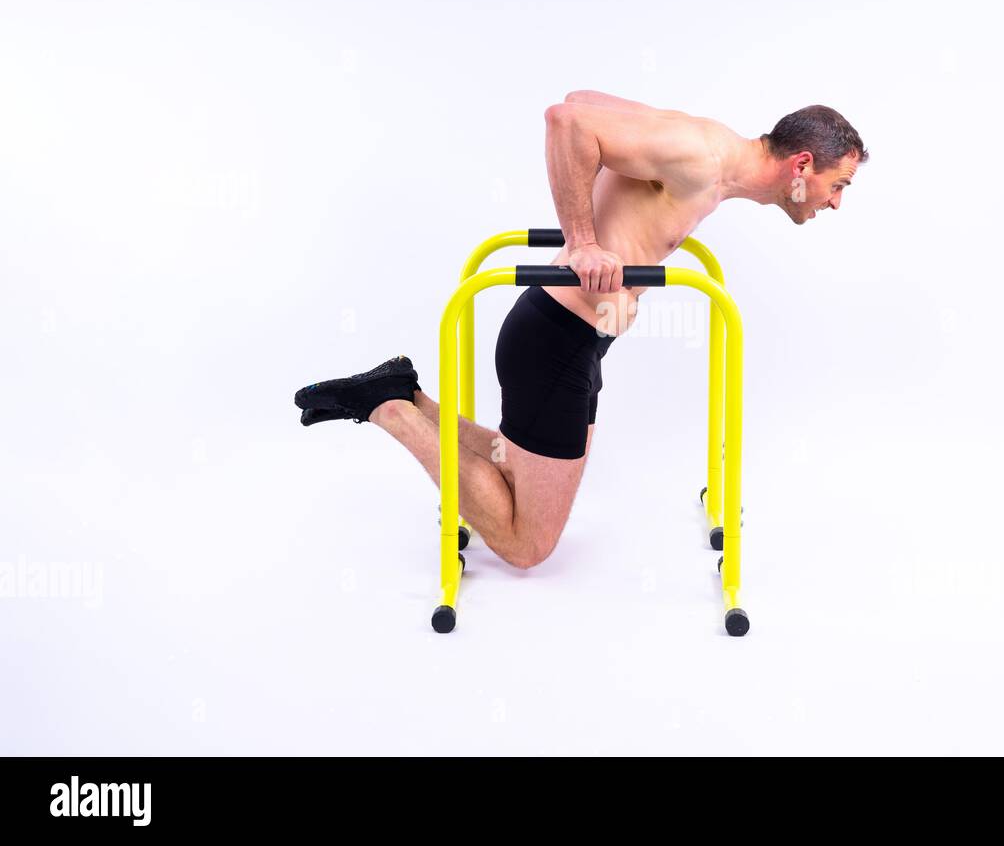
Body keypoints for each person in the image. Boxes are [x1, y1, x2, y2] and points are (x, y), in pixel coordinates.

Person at [294, 91, 867, 568]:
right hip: (554, 344)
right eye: (838, 185)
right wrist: (585, 243)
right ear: (802, 167)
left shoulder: (714, 153)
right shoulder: (701, 156)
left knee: (514, 472)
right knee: (527, 546)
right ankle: (388, 410)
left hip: (571, 341)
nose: (835, 203)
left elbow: (584, 101)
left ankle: (407, 393)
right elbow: (567, 119)